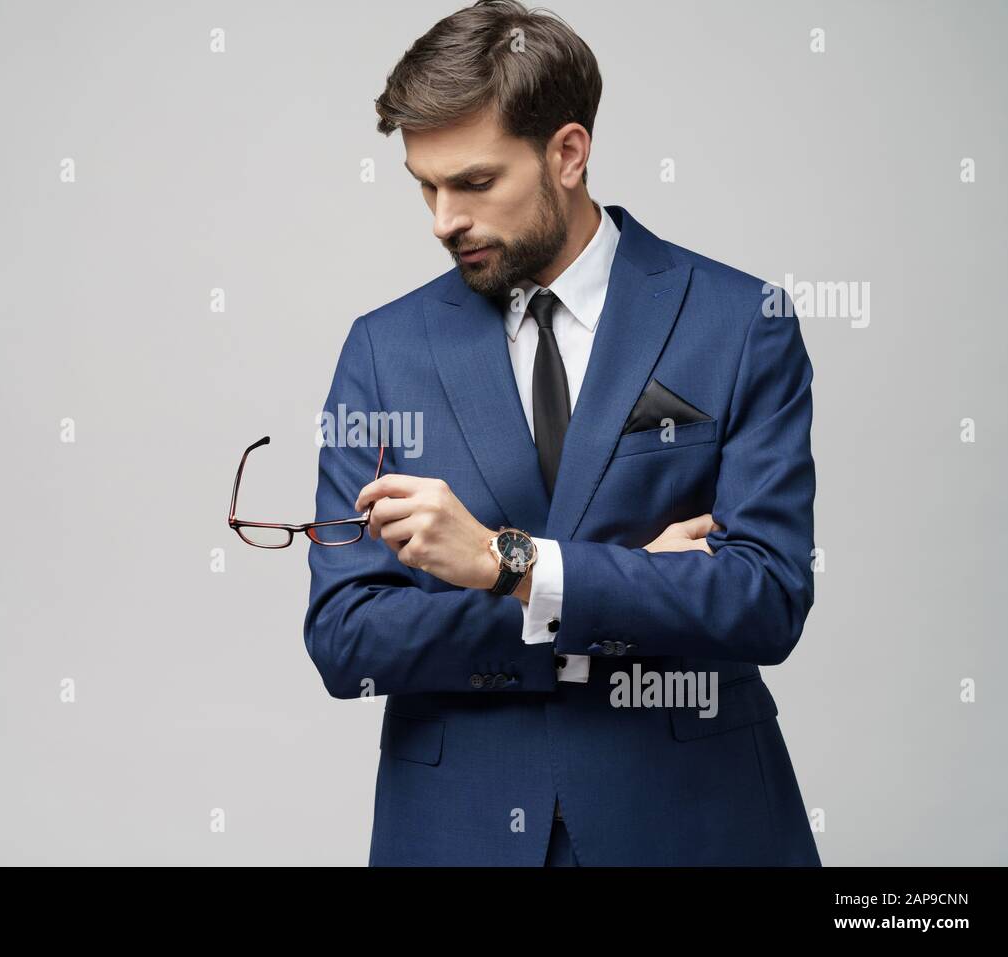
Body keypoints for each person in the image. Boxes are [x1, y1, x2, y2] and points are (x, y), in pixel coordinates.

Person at [303, 0, 820, 866]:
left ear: (568, 153)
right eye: (424, 186)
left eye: (473, 182)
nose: (442, 220)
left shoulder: (739, 320)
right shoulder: (383, 350)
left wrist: (512, 565)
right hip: (456, 827)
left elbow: (764, 600)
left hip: (693, 821)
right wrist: (597, 589)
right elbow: (347, 636)